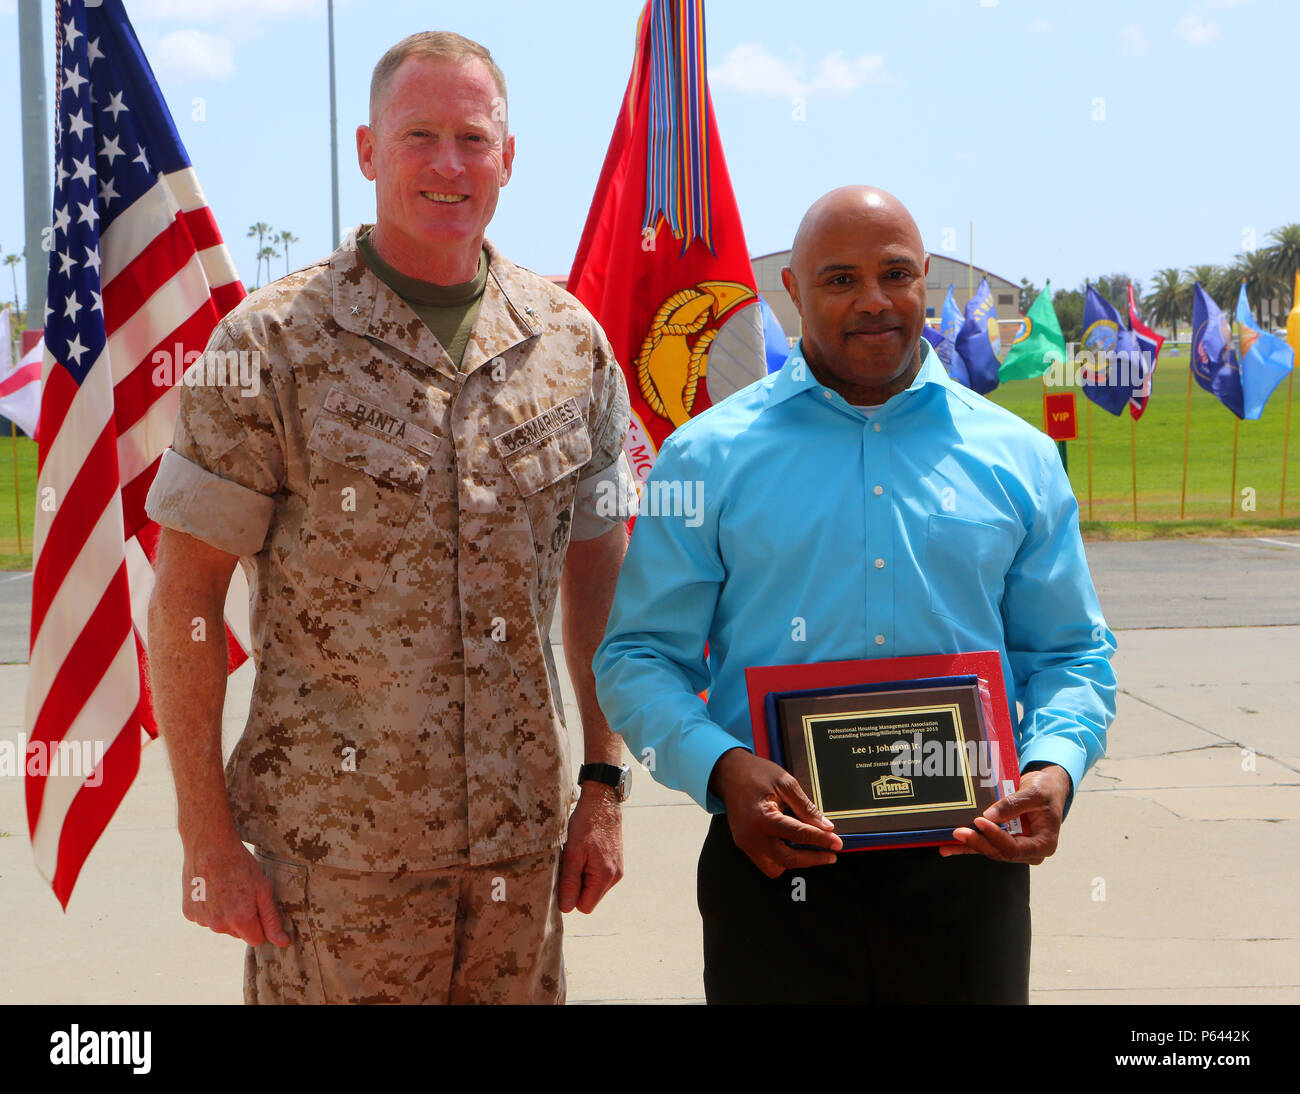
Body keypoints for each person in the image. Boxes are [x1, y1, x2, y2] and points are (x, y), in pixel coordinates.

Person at [145, 31, 638, 1005]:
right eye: (419, 136)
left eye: (471, 137)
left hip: (516, 851)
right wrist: (205, 833)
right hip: (331, 870)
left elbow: (599, 574)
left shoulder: (569, 345)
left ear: (508, 155)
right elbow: (186, 600)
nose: (448, 164)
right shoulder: (272, 346)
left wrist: (602, 781)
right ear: (369, 151)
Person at [593, 185, 1116, 1005]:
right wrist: (723, 770)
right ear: (793, 292)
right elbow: (635, 658)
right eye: (839, 280)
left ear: (925, 281)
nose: (873, 302)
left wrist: (1056, 765)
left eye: (895, 274)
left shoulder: (1019, 457)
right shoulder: (703, 460)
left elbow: (1072, 653)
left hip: (968, 868)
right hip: (771, 863)